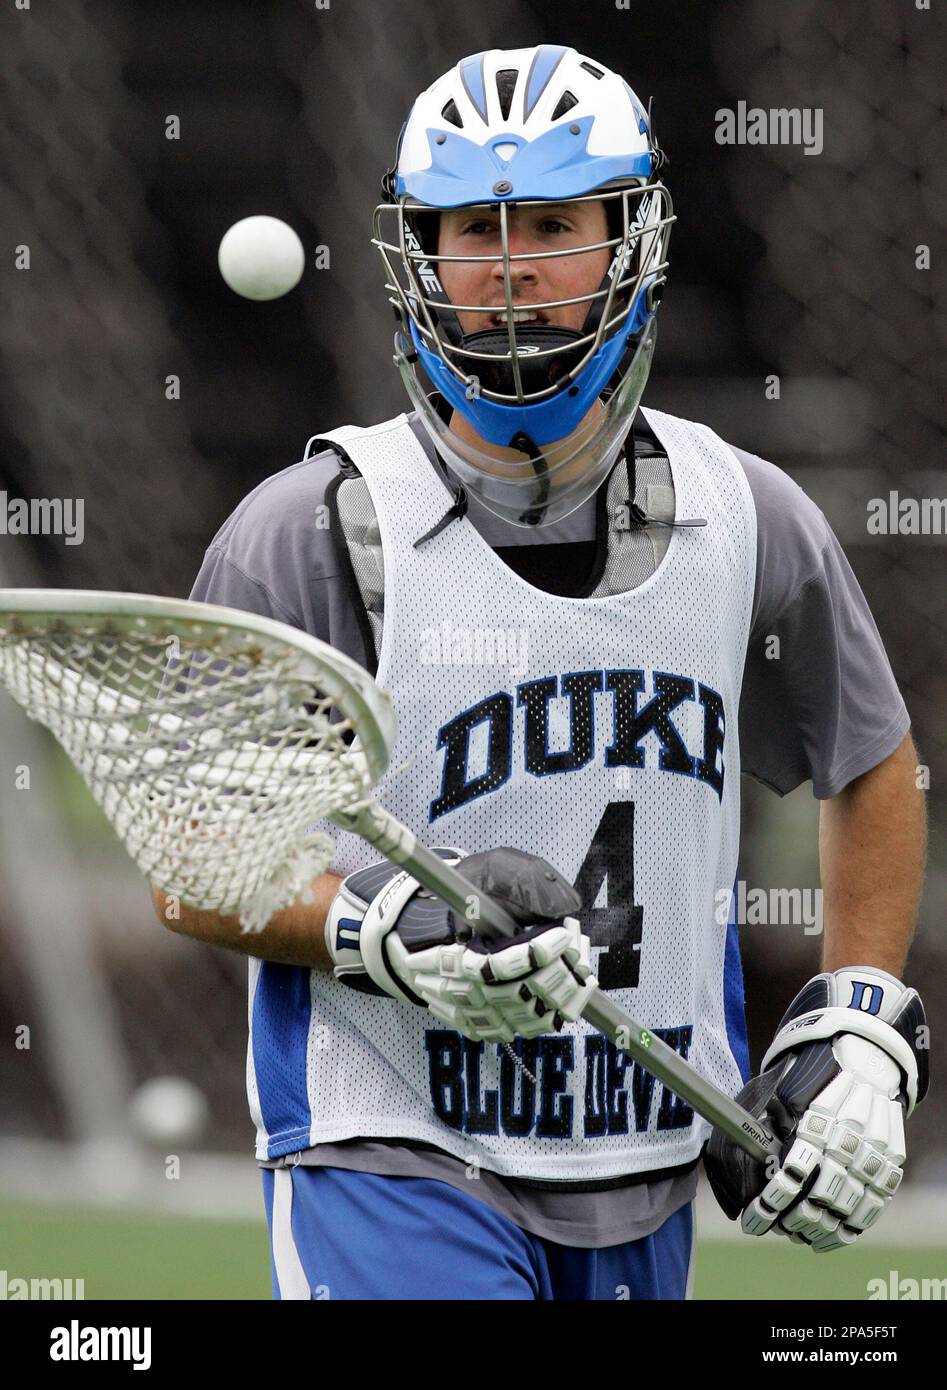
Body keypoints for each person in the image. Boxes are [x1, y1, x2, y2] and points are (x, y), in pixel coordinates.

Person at [156, 44, 927, 1300]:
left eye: (555, 225)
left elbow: (872, 765)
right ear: (421, 253)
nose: (510, 267)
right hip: (391, 1147)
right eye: (473, 229)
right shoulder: (315, 526)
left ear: (632, 239)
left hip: (638, 1156)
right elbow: (192, 862)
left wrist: (856, 1015)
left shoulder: (748, 519)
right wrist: (378, 931)